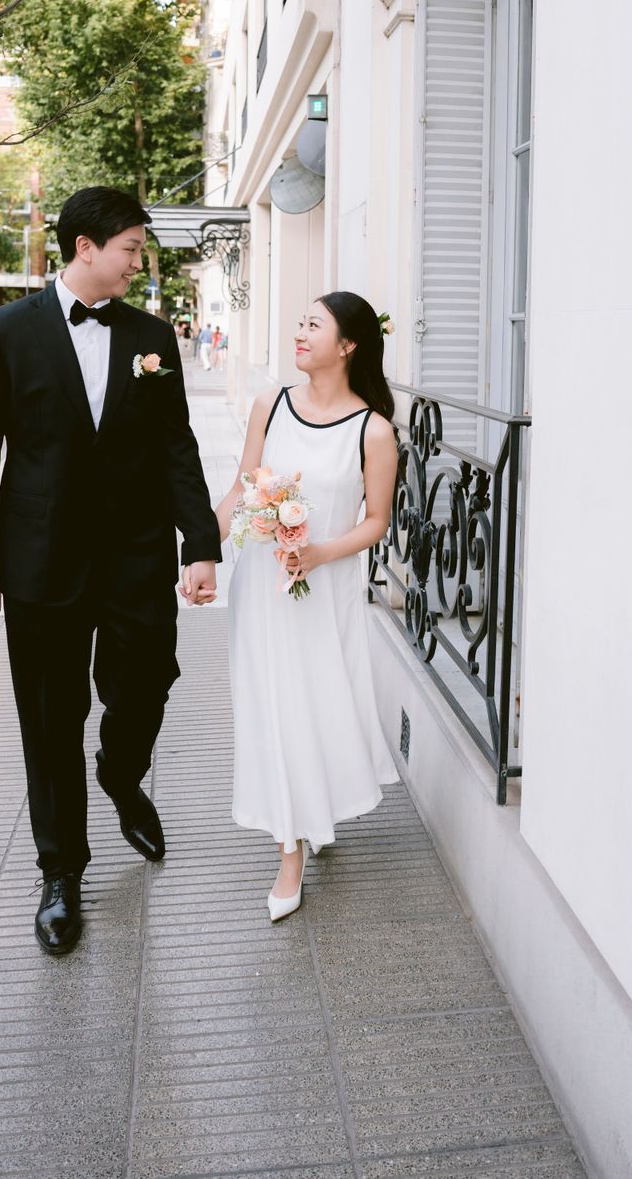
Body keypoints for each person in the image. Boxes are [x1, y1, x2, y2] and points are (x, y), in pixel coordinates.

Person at [0, 186, 220, 957]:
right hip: (38, 563)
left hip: (136, 558)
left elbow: (177, 446)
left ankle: (121, 770)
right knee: (48, 720)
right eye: (133, 248)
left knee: (147, 682)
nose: (141, 262)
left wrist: (199, 543)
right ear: (86, 248)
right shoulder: (5, 332)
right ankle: (61, 875)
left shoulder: (151, 336)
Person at [215, 292, 400, 921]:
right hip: (262, 590)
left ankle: (313, 814)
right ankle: (287, 846)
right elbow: (244, 487)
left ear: (347, 345)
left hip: (325, 590)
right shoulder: (271, 405)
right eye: (299, 322)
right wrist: (198, 553)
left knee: (318, 704)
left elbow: (376, 521)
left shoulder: (373, 430)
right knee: (272, 708)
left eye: (312, 326)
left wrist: (319, 553)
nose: (299, 333)